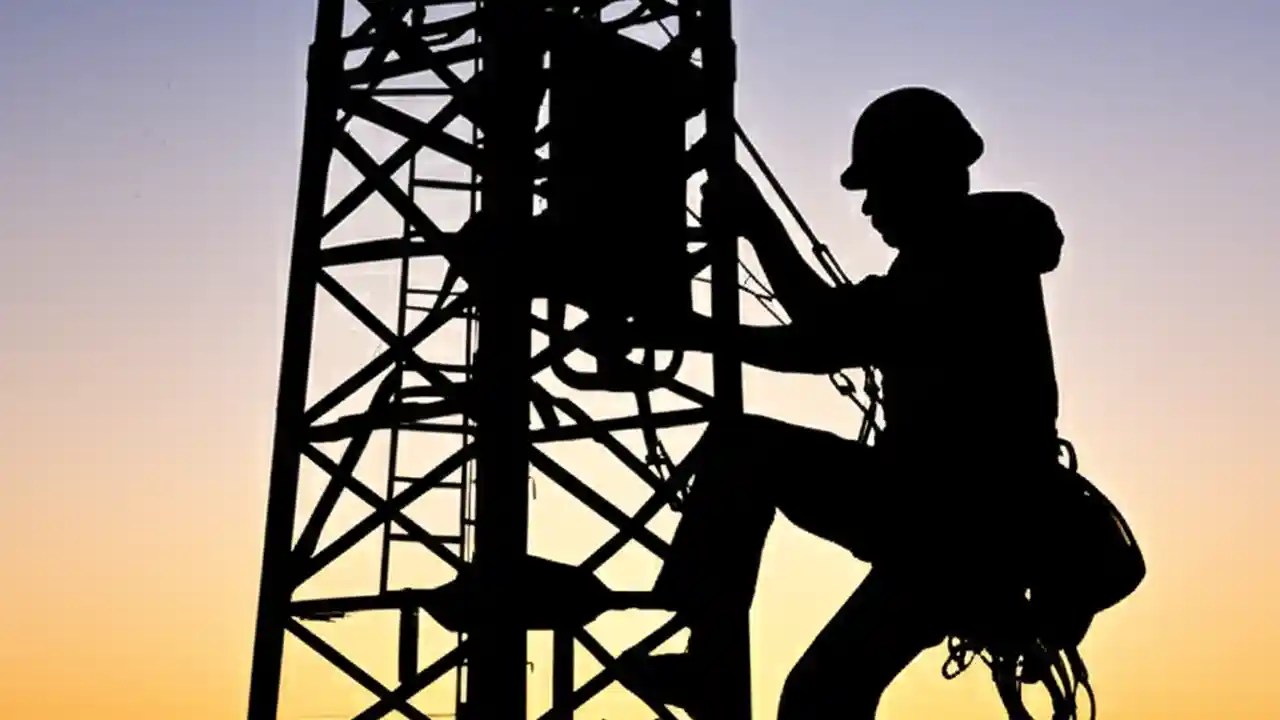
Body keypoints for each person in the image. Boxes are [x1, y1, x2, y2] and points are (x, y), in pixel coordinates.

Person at [607, 86, 1073, 719]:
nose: (869, 208)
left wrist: (754, 231)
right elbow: (836, 330)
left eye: (876, 186)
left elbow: (827, 332)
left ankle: (706, 657)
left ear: (921, 171)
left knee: (744, 450)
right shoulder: (971, 253)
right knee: (821, 697)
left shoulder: (970, 251)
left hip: (946, 515)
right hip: (958, 535)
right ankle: (705, 661)